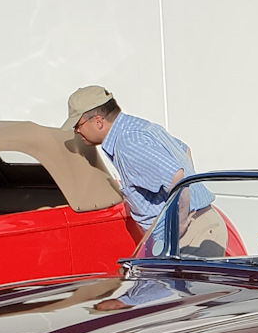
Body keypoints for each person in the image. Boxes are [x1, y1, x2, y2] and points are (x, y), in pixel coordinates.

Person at [64, 85, 225, 255]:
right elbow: (185, 151)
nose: (76, 131)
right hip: (200, 226)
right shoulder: (136, 127)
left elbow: (177, 177)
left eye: (78, 125)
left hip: (191, 235)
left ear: (98, 121)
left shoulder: (128, 143)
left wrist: (178, 225)